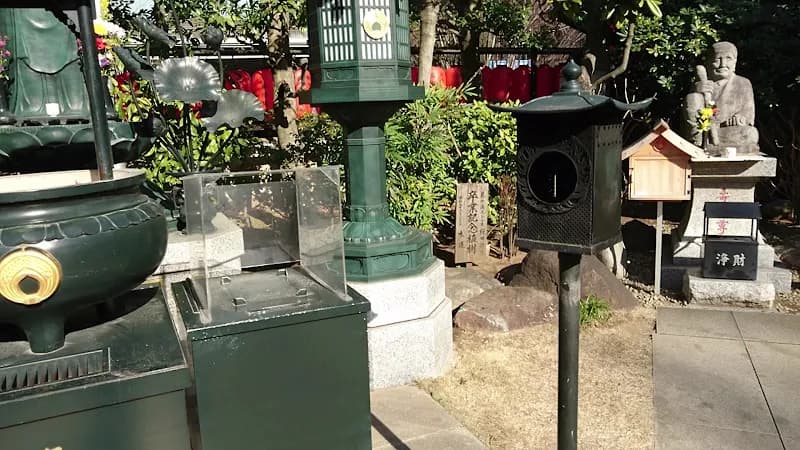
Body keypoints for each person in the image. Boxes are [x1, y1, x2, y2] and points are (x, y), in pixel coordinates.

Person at [0, 8, 90, 124]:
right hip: (21, 15)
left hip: (63, 14)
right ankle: (30, 109)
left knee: (71, 55)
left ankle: (76, 108)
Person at [683, 41, 759, 154]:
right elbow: (691, 112)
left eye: (728, 59)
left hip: (726, 131)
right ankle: (698, 141)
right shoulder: (702, 84)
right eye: (718, 59)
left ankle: (709, 142)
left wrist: (740, 118)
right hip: (703, 131)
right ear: (708, 63)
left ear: (735, 62)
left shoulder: (743, 83)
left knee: (751, 133)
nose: (723, 64)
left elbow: (749, 114)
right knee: (692, 98)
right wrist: (697, 89)